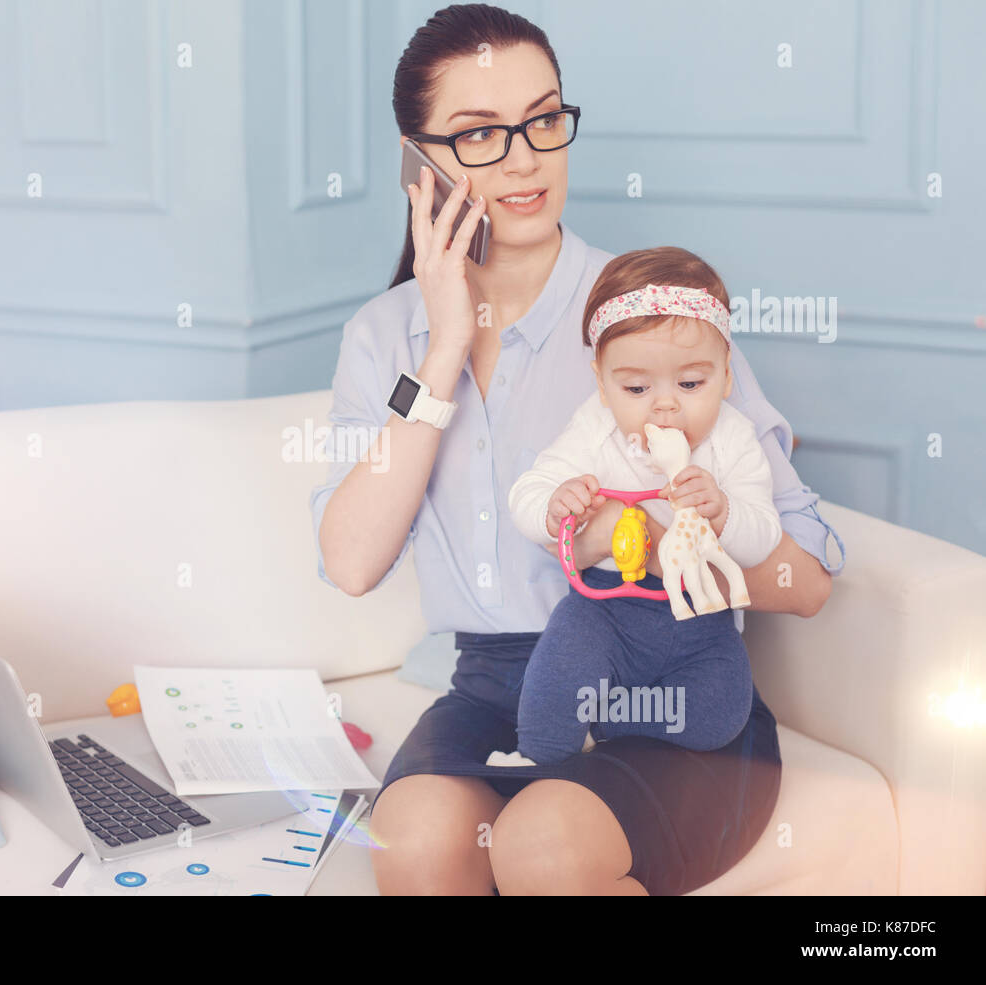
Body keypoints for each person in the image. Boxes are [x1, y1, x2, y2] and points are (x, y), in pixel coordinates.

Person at [309, 4, 845, 895]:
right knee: (412, 840)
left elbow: (811, 580)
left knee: (544, 842)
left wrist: (668, 529)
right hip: (493, 688)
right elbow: (353, 560)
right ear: (419, 161)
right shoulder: (384, 338)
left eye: (544, 119)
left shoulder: (654, 316)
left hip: (669, 686)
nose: (524, 158)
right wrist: (443, 348)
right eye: (480, 133)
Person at [491, 248, 782, 769]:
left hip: (701, 619)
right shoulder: (594, 430)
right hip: (607, 607)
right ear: (602, 385)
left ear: (727, 378)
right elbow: (526, 493)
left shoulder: (734, 440)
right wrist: (555, 507)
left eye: (691, 384)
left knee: (720, 713)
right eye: (636, 388)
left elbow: (762, 538)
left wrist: (724, 512)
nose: (665, 405)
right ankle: (541, 752)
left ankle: (608, 725)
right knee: (558, 673)